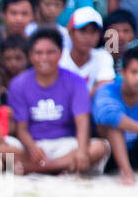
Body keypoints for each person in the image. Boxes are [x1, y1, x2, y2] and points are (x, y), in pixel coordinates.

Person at [7, 26, 110, 172]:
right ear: (30, 56)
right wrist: (32, 147)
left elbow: (82, 120)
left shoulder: (76, 81)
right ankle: (62, 167)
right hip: (33, 147)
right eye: (38, 53)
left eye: (50, 52)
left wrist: (81, 151)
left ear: (61, 53)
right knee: (1, 145)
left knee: (100, 147)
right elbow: (21, 127)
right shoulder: (18, 84)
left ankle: (37, 168)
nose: (44, 58)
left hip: (66, 144)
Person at [93, 44, 138, 182]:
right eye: (134, 72)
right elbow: (109, 116)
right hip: (108, 153)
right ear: (123, 72)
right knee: (113, 126)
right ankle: (127, 173)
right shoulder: (107, 91)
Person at [61, 5, 116, 94]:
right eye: (83, 30)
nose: (88, 37)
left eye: (93, 31)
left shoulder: (103, 56)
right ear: (71, 33)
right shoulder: (58, 57)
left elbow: (105, 87)